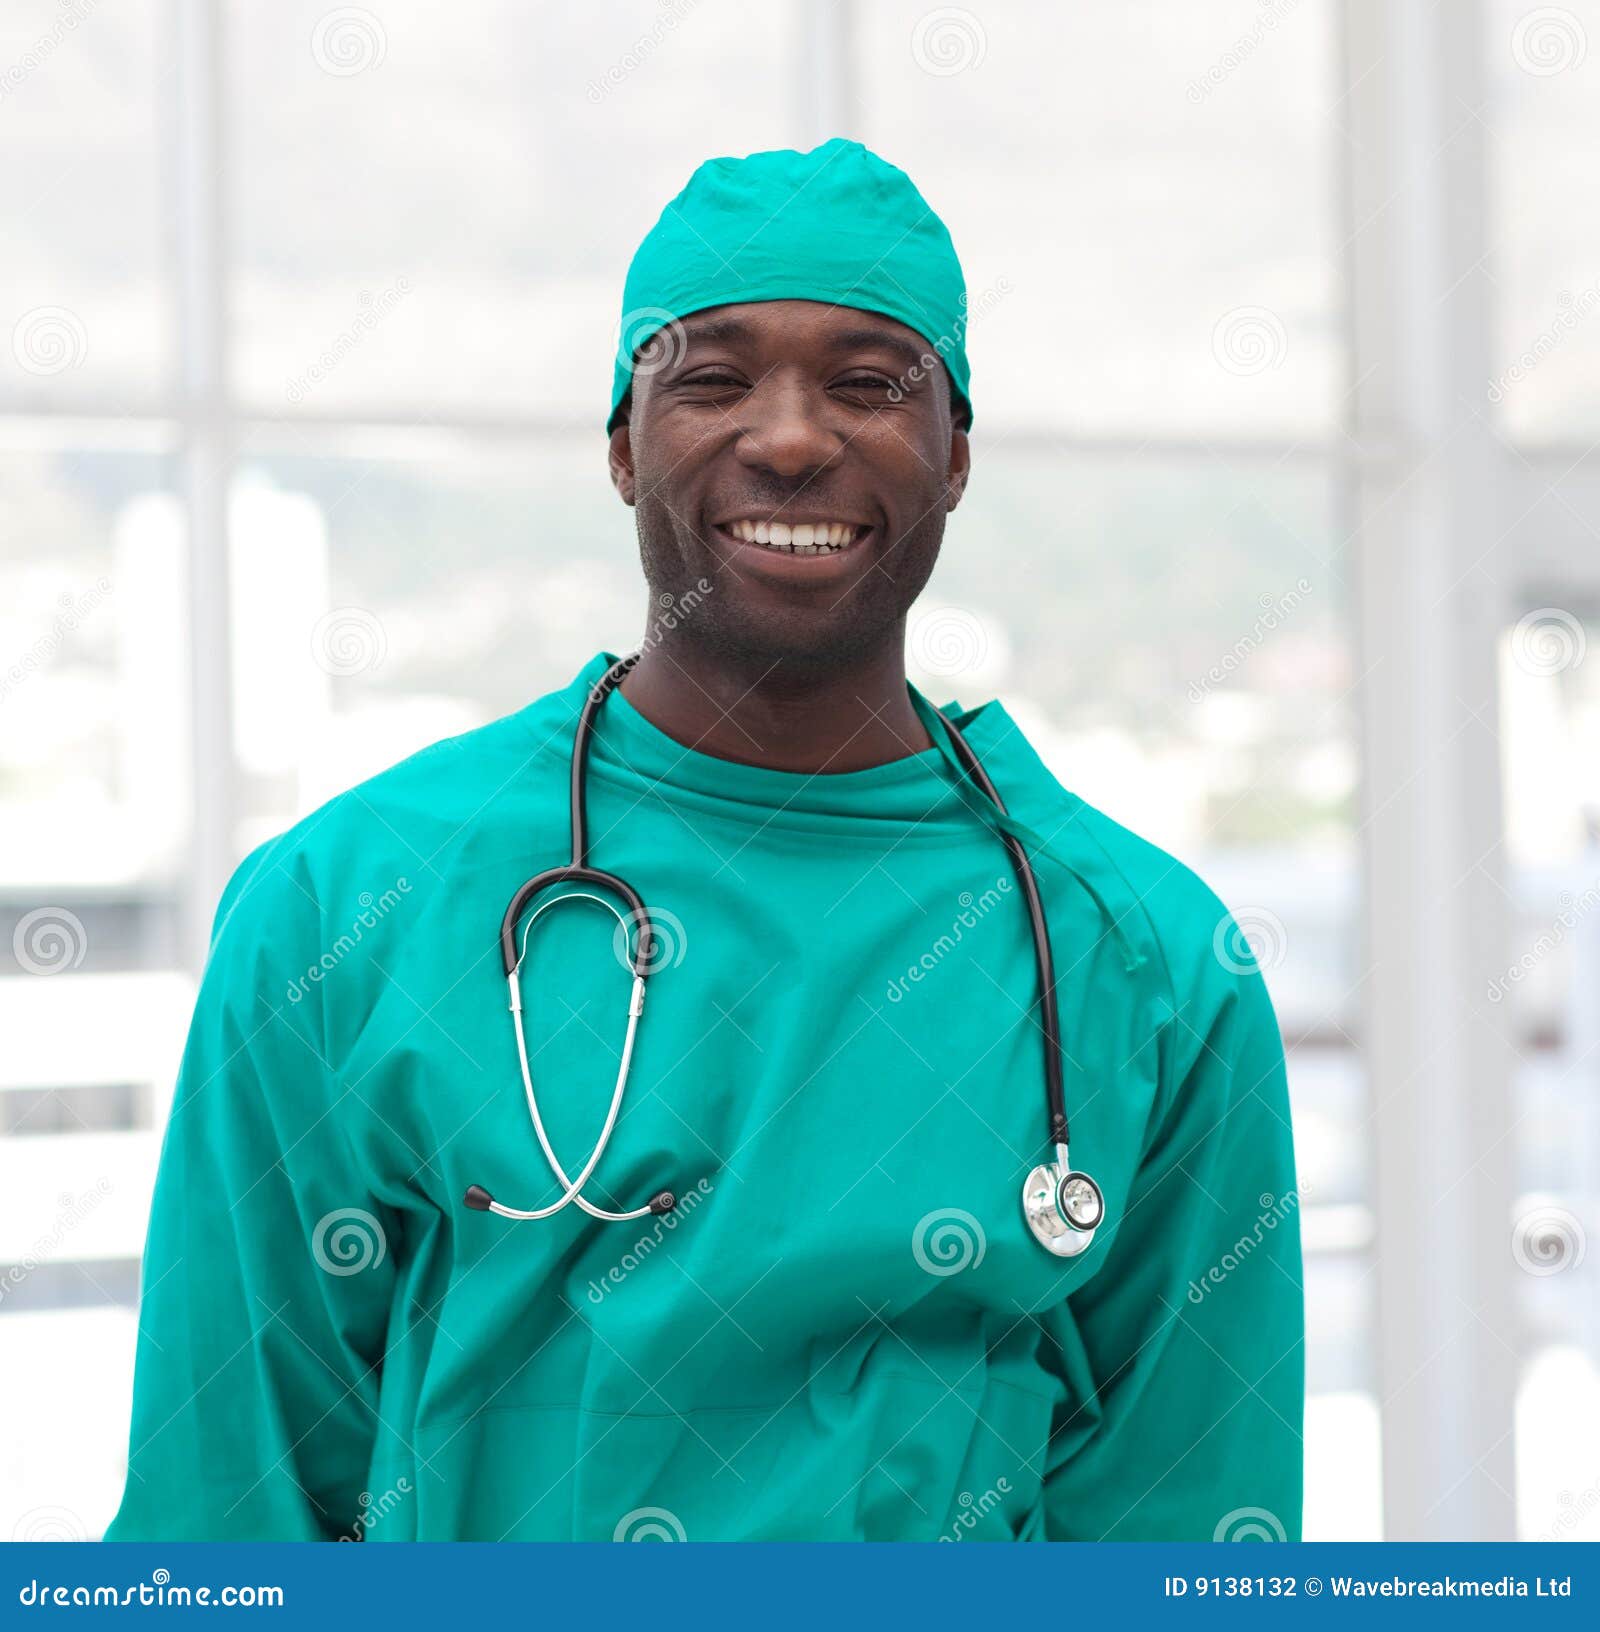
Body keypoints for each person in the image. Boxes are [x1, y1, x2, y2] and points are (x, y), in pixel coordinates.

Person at [107, 139, 1303, 1542]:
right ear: (623, 445)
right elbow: (223, 1509)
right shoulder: (343, 910)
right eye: (712, 380)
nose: (792, 439)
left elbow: (1190, 1530)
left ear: (957, 454)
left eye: (870, 384)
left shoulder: (1145, 962)